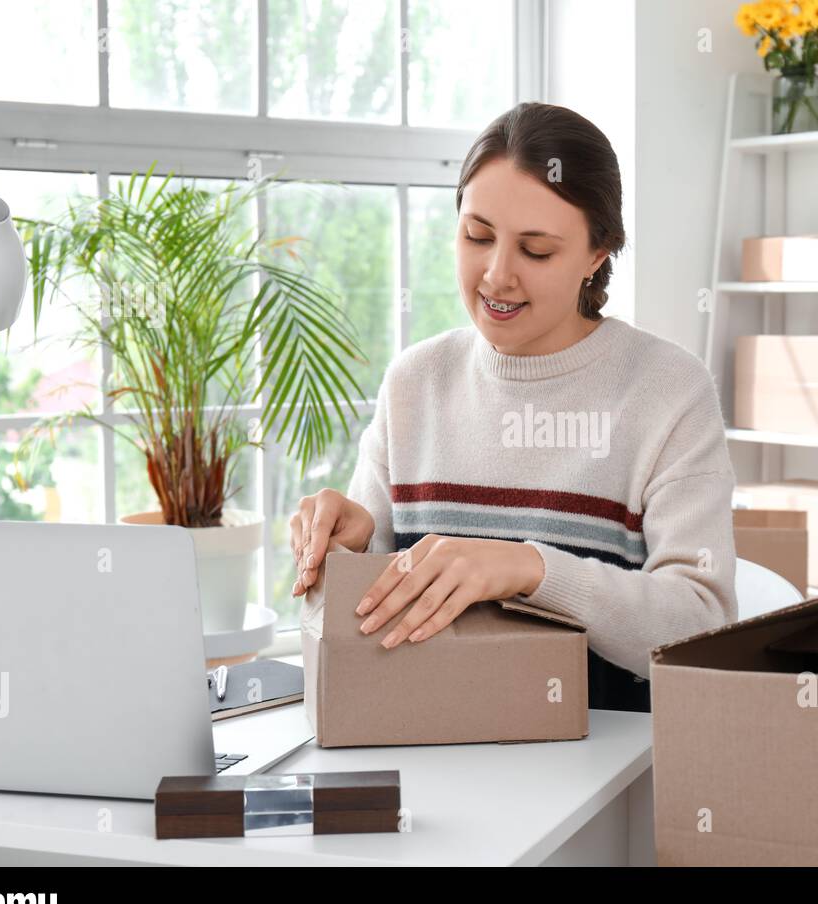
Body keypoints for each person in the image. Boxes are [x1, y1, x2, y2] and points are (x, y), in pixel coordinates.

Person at [289, 101, 737, 712]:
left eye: (537, 251)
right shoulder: (415, 383)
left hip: (599, 770)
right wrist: (352, 549)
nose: (497, 276)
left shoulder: (667, 391)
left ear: (597, 254)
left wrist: (530, 570)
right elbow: (365, 611)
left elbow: (701, 632)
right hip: (428, 742)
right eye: (477, 236)